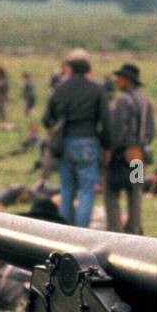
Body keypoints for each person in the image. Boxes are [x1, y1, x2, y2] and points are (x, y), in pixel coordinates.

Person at [43, 48, 111, 228]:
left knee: (67, 191)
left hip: (65, 143)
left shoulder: (60, 89)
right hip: (88, 143)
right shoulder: (96, 90)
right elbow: (106, 121)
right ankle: (81, 234)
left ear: (69, 68)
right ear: (88, 68)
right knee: (87, 192)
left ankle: (65, 233)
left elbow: (46, 119)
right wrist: (107, 146)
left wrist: (54, 134)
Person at [103, 62, 154, 234]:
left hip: (121, 156)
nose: (116, 82)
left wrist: (111, 150)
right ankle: (135, 228)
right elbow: (151, 131)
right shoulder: (145, 101)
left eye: (119, 79)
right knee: (135, 191)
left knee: (112, 192)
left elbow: (117, 130)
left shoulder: (123, 101)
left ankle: (115, 229)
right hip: (138, 155)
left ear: (126, 81)